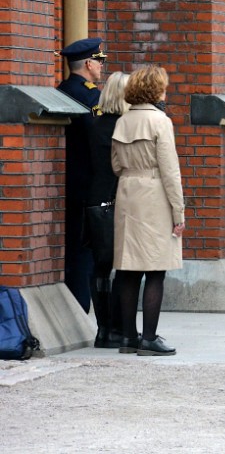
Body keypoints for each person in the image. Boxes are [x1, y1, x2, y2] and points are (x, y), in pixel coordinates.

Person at [111, 65, 184, 356]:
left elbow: (116, 165)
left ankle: (128, 337)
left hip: (127, 191)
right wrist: (178, 212)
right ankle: (150, 338)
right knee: (155, 269)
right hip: (154, 194)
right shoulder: (160, 121)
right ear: (155, 90)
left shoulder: (122, 121)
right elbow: (170, 171)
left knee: (128, 269)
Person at [57, 37, 107, 312]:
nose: (101, 66)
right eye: (99, 61)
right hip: (89, 185)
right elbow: (98, 140)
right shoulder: (90, 96)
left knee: (72, 248)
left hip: (66, 182)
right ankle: (80, 309)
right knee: (86, 252)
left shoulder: (62, 90)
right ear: (88, 64)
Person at [86, 71, 130, 348]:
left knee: (101, 267)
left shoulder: (96, 124)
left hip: (95, 199)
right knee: (122, 267)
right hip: (116, 200)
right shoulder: (124, 127)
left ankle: (103, 329)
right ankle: (115, 327)